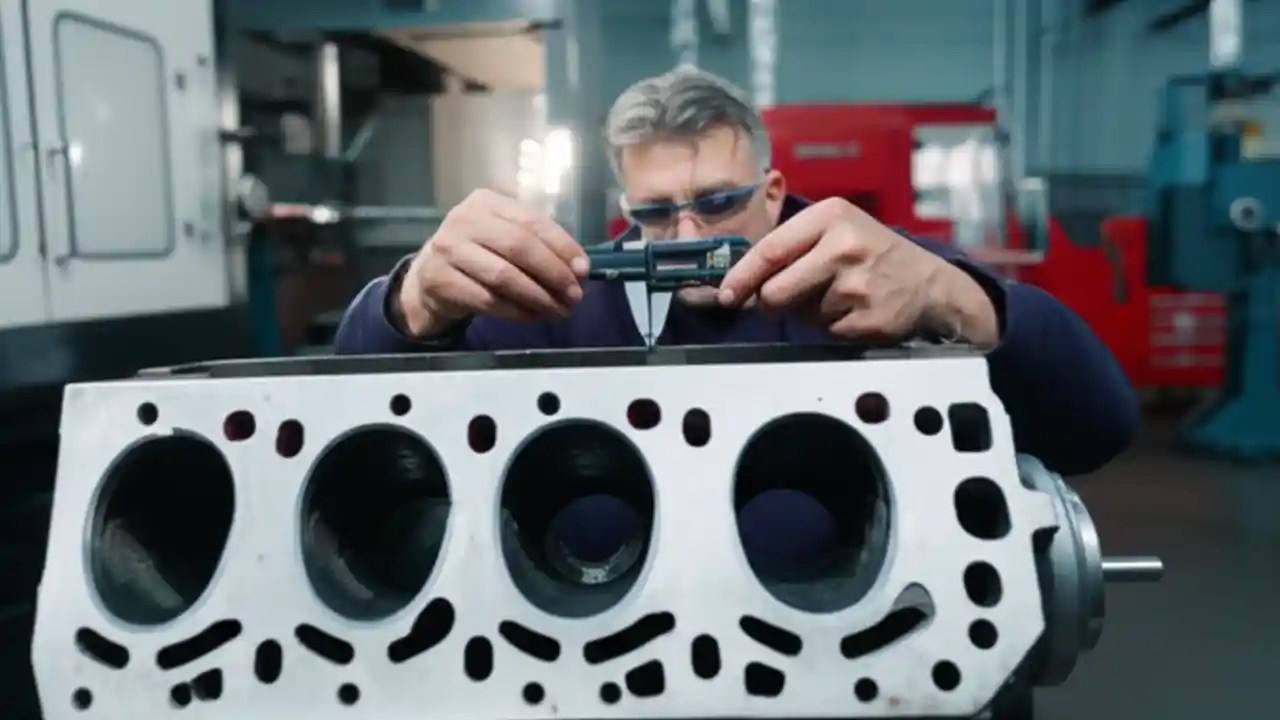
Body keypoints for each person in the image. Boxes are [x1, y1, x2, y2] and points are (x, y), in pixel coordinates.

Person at [333, 68, 1138, 573]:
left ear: (776, 191)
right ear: (623, 211)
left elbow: (1096, 424)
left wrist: (964, 300)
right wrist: (412, 304)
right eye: (655, 214)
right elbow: (353, 436)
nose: (689, 237)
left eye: (720, 202)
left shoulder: (881, 280)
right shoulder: (555, 303)